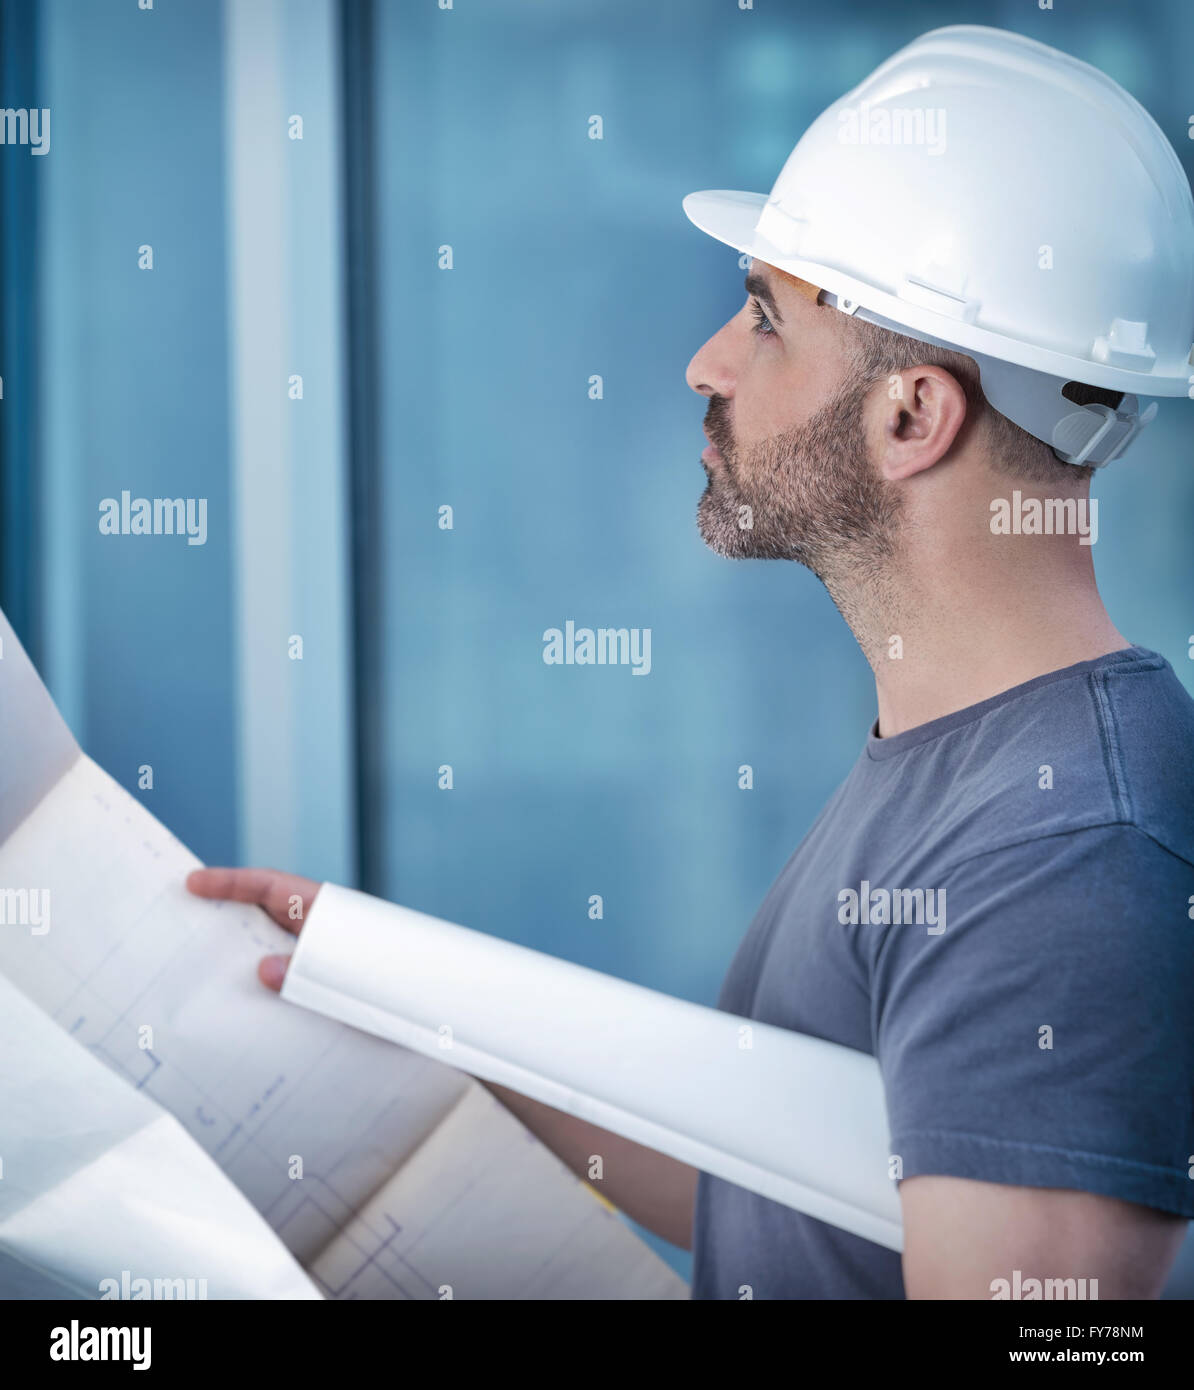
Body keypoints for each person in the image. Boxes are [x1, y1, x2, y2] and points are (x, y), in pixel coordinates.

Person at [188, 25, 1194, 1298]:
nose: (706, 362)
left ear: (912, 416)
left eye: (765, 321)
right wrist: (379, 991)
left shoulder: (1069, 850)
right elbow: (782, 1182)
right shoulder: (971, 761)